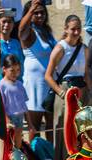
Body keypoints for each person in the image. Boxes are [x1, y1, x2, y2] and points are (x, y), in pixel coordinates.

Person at [45, 13, 87, 160]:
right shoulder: (60, 48)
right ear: (66, 29)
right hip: (65, 90)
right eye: (73, 29)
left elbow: (87, 73)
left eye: (78, 29)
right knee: (62, 129)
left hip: (81, 91)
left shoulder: (84, 48)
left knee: (80, 130)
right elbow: (48, 76)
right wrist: (62, 93)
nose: (76, 32)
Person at [18, 0, 55, 138]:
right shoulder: (29, 31)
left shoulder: (46, 30)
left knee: (52, 126)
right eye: (36, 13)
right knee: (35, 127)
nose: (40, 15)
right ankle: (35, 158)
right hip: (35, 84)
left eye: (42, 12)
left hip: (50, 82)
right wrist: (31, 10)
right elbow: (21, 30)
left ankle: (52, 156)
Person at [0, 52, 27, 146]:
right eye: (12, 70)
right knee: (8, 145)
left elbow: (24, 105)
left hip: (20, 117)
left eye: (18, 70)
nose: (16, 73)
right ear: (4, 69)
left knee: (18, 144)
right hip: (9, 119)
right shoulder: (1, 85)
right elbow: (1, 106)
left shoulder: (19, 84)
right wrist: (7, 121)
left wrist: (30, 124)